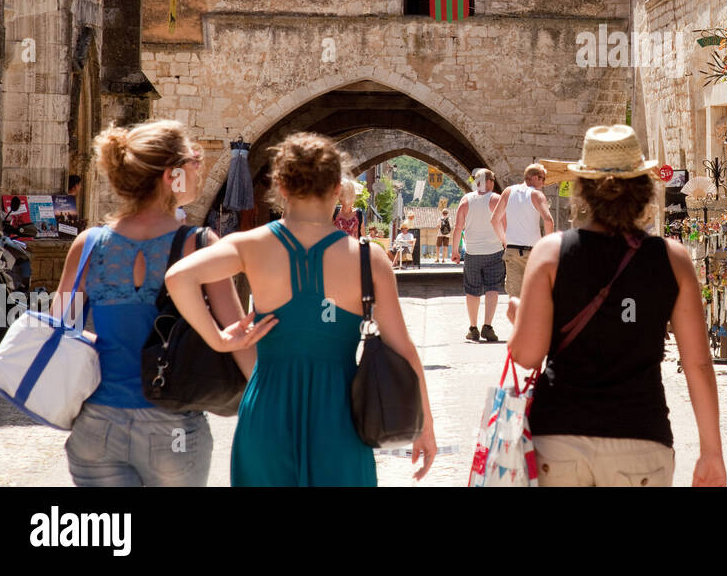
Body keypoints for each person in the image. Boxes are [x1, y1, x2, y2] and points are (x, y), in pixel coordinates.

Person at [165, 133, 436, 486]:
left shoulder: (251, 245)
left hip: (267, 408)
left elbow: (178, 277)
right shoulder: (370, 260)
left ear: (280, 185)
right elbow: (404, 351)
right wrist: (424, 426)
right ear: (338, 188)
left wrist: (218, 339)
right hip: (339, 416)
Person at [511, 125, 725, 487]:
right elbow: (699, 364)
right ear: (643, 188)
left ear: (584, 189)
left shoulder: (550, 254)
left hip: (560, 436)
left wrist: (520, 317)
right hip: (640, 436)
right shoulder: (672, 259)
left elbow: (527, 355)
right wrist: (712, 452)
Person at [53, 120, 252, 486]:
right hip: (172, 428)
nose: (199, 168)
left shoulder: (89, 244)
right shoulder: (201, 244)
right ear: (170, 175)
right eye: (194, 161)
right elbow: (236, 336)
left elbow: (60, 331)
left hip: (97, 425)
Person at [493, 163, 555, 323]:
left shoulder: (508, 192)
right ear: (534, 177)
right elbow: (548, 220)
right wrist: (548, 247)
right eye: (542, 178)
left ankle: (518, 331)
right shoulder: (537, 195)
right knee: (535, 295)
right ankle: (532, 330)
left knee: (515, 297)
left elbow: (494, 220)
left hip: (512, 251)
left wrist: (505, 241)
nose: (544, 182)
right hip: (533, 253)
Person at [452, 169, 503, 342]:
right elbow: (503, 224)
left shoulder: (466, 200)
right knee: (492, 288)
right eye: (493, 180)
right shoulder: (496, 199)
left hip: (472, 252)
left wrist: (455, 251)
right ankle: (487, 327)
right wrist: (506, 243)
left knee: (472, 290)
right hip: (494, 251)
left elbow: (458, 227)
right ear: (488, 181)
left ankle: (473, 328)